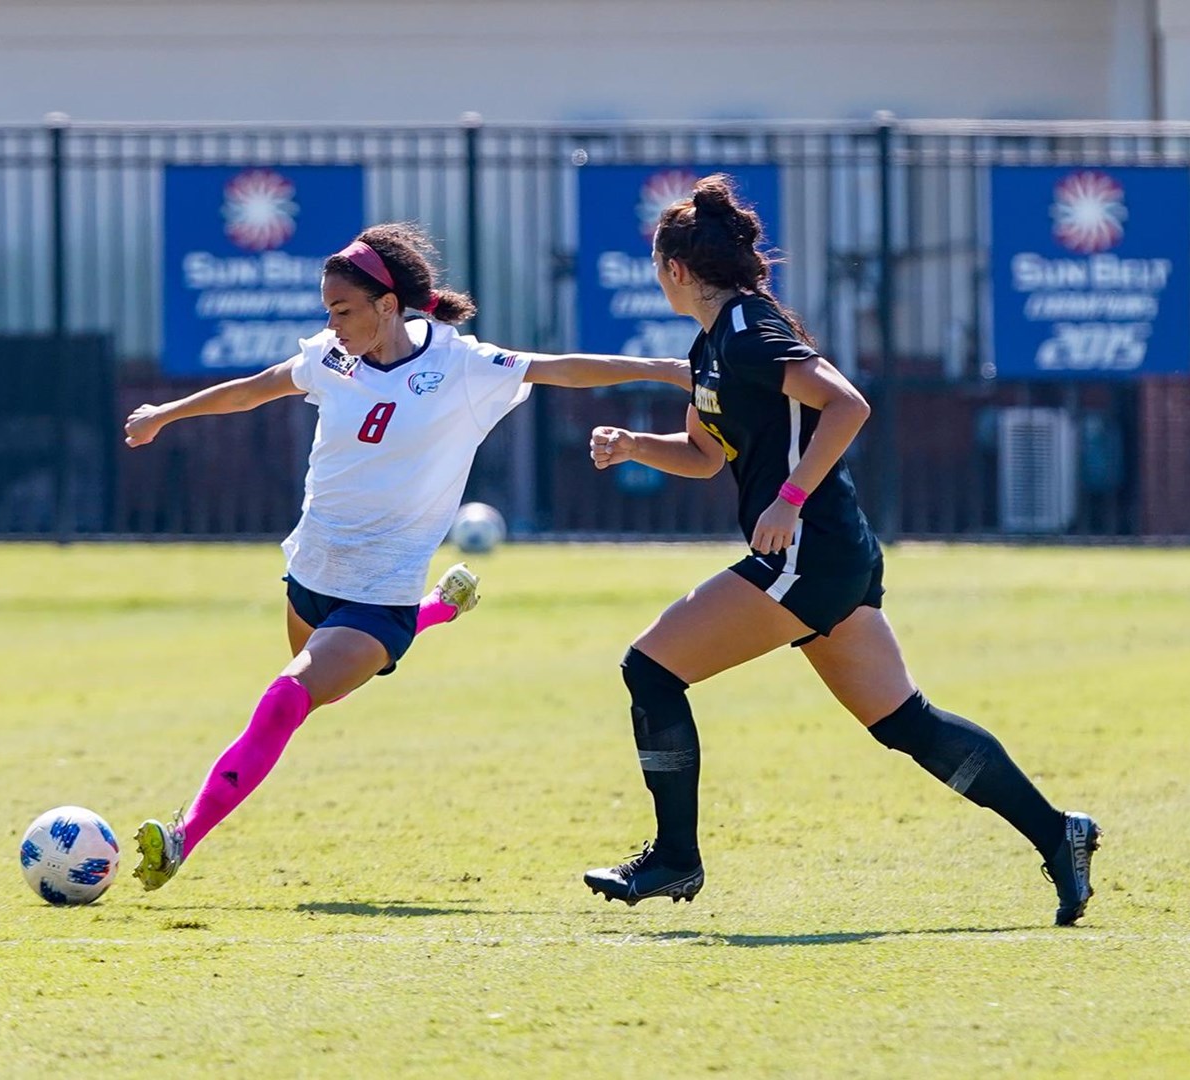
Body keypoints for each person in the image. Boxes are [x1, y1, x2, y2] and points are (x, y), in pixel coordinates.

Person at [580, 175, 1102, 926]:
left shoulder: (752, 331)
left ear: (676, 270)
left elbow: (848, 403)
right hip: (831, 555)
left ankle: (674, 858)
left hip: (809, 552)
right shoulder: (711, 346)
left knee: (650, 669)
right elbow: (702, 454)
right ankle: (1060, 834)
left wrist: (788, 501)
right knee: (907, 724)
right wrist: (634, 445)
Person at [122, 222, 691, 891]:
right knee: (310, 695)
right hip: (310, 574)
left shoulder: (461, 366)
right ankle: (437, 612)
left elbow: (560, 368)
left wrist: (663, 368)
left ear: (387, 306)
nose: (332, 325)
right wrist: (165, 412)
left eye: (343, 311)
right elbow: (256, 386)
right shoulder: (330, 358)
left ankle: (185, 835)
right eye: (328, 311)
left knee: (286, 698)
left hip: (378, 596)